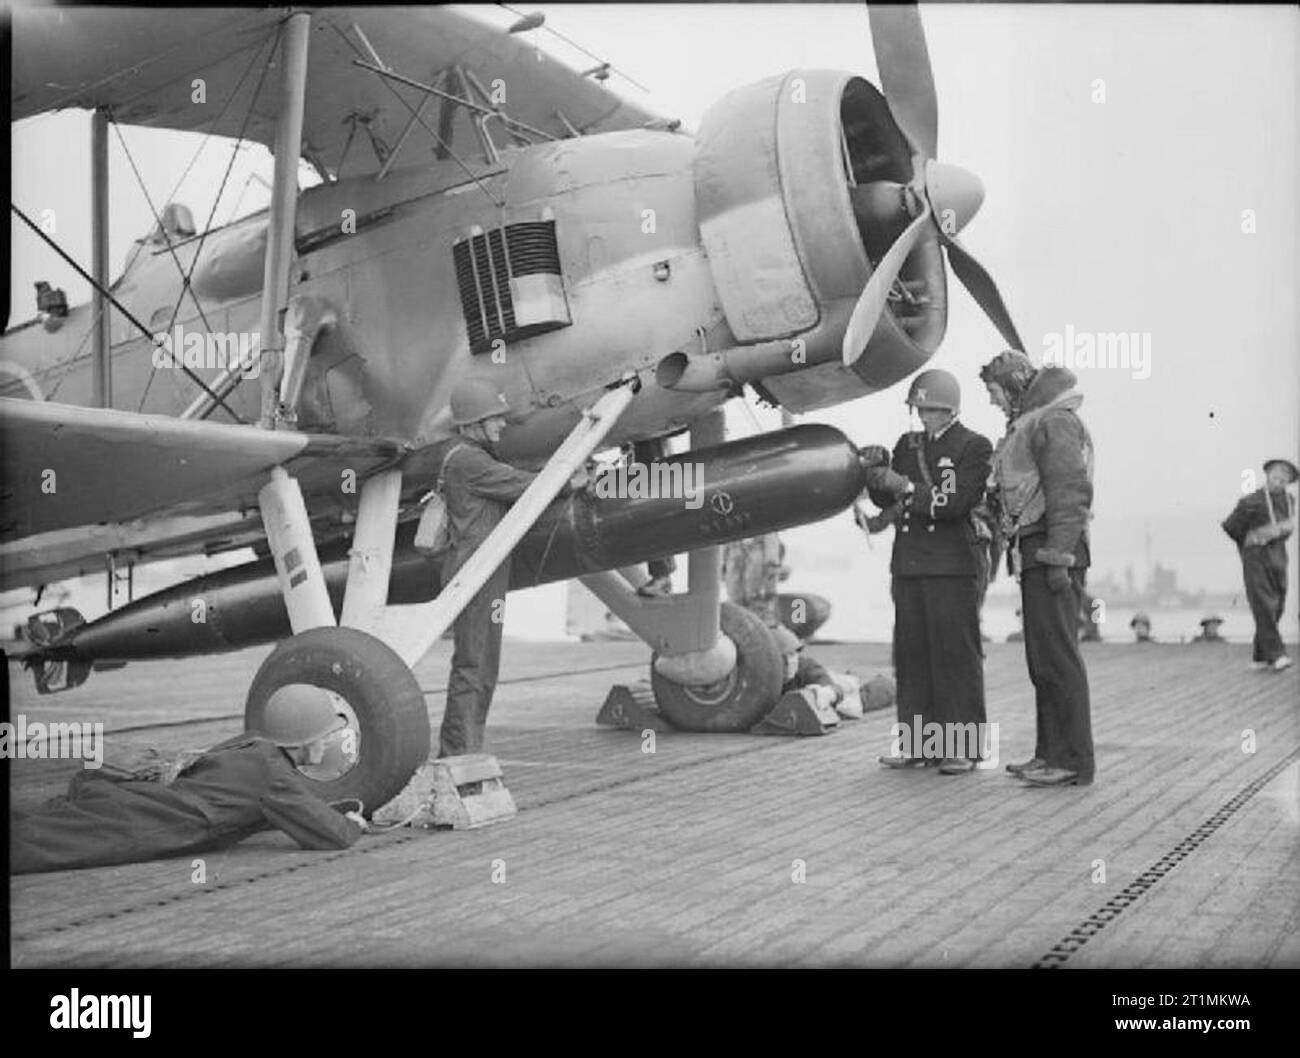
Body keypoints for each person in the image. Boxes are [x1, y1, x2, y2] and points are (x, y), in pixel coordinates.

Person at [10, 684, 367, 875]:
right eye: (324, 733)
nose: (327, 740)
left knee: (44, 829)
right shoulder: (275, 777)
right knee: (41, 847)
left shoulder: (256, 745)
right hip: (158, 821)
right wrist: (352, 824)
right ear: (302, 738)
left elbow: (286, 811)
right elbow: (331, 835)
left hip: (143, 800)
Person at [864, 368, 993, 774]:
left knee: (955, 659)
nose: (923, 418)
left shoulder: (972, 447)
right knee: (912, 657)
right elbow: (888, 492)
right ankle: (918, 745)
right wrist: (874, 472)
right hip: (910, 565)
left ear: (949, 410)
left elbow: (952, 502)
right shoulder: (907, 444)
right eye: (919, 410)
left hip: (951, 566)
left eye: (931, 410)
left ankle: (962, 749)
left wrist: (903, 486)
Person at [982, 349, 1095, 788]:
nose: (993, 401)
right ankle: (1050, 753)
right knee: (1042, 661)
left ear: (1011, 385)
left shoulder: (1054, 423)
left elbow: (1069, 493)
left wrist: (1059, 558)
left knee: (1059, 659)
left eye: (994, 392)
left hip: (1053, 553)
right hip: (1036, 550)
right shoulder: (1036, 422)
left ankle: (1072, 761)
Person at [438, 378, 545, 756]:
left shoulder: (475, 456)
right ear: (471, 425)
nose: (502, 425)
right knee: (473, 664)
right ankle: (456, 754)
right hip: (475, 573)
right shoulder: (469, 460)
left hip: (487, 571)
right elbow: (521, 485)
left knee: (484, 664)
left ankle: (467, 748)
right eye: (494, 419)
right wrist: (567, 477)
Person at [1221, 458, 1297, 671]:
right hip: (1256, 558)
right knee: (1263, 605)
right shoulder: (1251, 501)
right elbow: (1230, 526)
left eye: (1285, 477)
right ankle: (1277, 654)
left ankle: (1260, 655)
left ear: (1289, 481)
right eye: (1276, 475)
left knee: (1278, 605)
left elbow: (1287, 528)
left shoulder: (1290, 500)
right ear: (1268, 475)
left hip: (1279, 556)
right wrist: (1249, 542)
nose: (1279, 480)